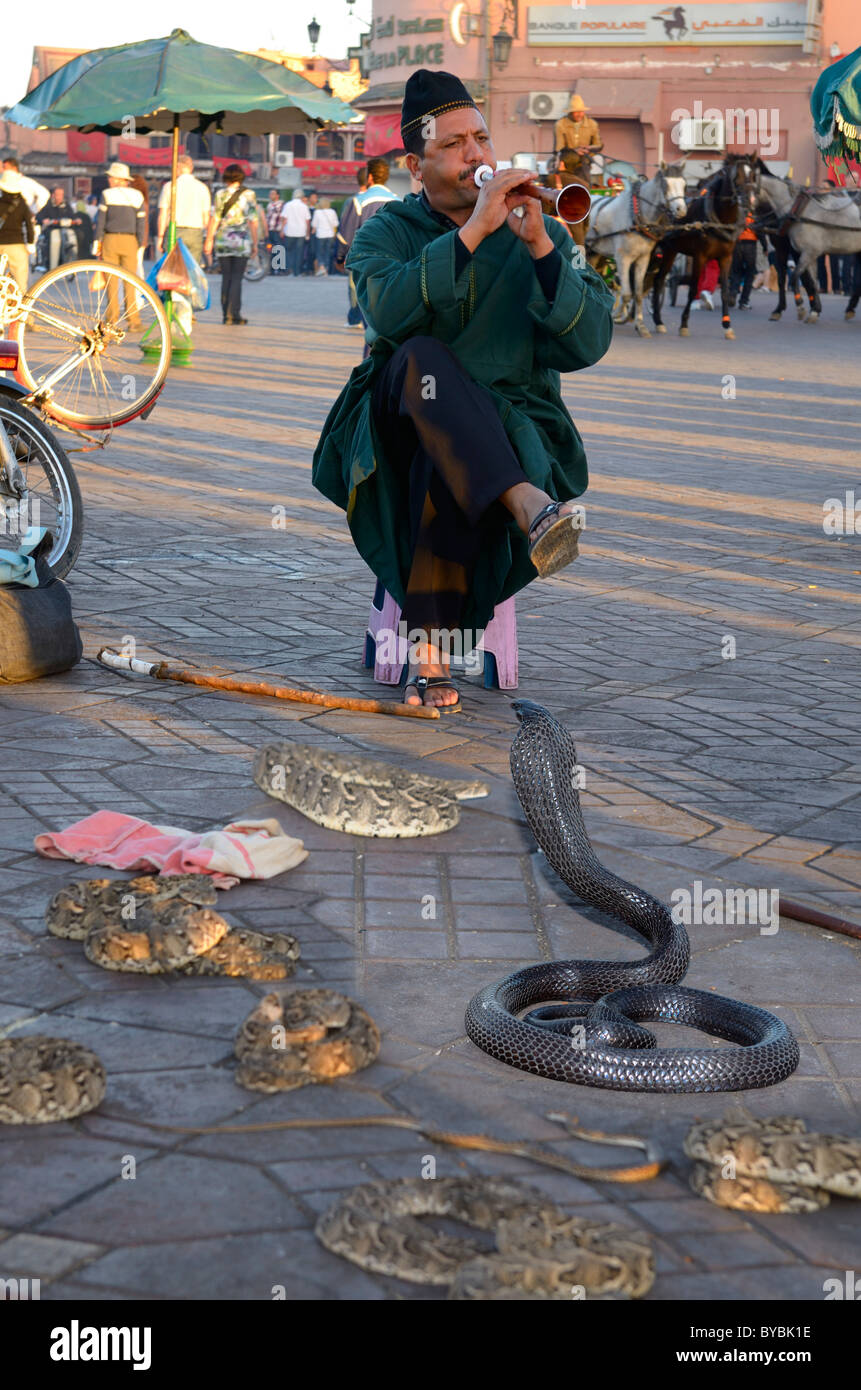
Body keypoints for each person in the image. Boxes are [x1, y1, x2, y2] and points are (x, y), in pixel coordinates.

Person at [312, 70, 614, 711]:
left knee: (448, 459)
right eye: (454, 145)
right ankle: (528, 505)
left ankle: (429, 656)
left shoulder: (542, 233)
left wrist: (539, 248)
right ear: (415, 165)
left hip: (506, 429)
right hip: (399, 417)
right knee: (424, 360)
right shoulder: (384, 230)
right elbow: (389, 315)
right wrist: (474, 230)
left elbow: (588, 343)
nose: (478, 155)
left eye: (481, 137)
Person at [335, 158, 400, 333]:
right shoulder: (398, 201)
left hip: (362, 263)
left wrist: (340, 258)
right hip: (391, 264)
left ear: (369, 177)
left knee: (363, 301)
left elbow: (345, 237)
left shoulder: (358, 202)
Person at [93, 162, 147, 327]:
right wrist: (139, 243)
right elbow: (141, 223)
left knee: (111, 283)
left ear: (118, 179)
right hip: (130, 241)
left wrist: (97, 242)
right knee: (130, 281)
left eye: (111, 177)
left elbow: (101, 222)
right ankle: (133, 320)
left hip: (110, 239)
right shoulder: (138, 196)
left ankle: (112, 319)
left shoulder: (107, 194)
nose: (109, 180)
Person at [204, 164, 259, 325]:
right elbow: (253, 221)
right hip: (241, 240)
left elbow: (215, 218)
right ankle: (234, 313)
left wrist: (209, 239)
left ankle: (225, 314)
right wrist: (255, 243)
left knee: (226, 277)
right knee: (237, 278)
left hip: (223, 240)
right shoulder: (249, 194)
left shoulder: (220, 194)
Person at [156, 155, 211, 267]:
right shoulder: (202, 188)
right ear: (191, 168)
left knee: (172, 268)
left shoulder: (169, 186)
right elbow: (206, 218)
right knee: (191, 268)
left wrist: (160, 237)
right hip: (195, 233)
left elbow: (163, 215)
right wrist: (209, 239)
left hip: (174, 231)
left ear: (178, 167)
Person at [0, 169, 35, 294]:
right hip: (16, 245)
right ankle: (19, 309)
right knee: (20, 282)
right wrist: (30, 244)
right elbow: (29, 226)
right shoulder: (22, 204)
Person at [554, 94, 603, 177]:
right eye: (576, 112)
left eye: (581, 111)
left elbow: (598, 144)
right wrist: (575, 150)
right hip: (569, 159)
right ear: (570, 113)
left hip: (586, 158)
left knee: (595, 162)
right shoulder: (560, 124)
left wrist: (588, 148)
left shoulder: (592, 124)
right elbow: (559, 147)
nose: (579, 114)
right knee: (572, 159)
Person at [37, 187, 83, 270]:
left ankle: (75, 259)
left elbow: (72, 216)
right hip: (52, 230)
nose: (60, 197)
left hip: (66, 229)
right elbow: (39, 216)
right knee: (53, 240)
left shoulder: (66, 206)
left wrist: (76, 220)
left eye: (61, 195)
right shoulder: (49, 206)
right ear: (53, 195)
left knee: (78, 235)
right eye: (58, 195)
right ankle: (50, 265)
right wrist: (44, 220)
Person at [279, 190, 310, 277]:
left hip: (289, 231)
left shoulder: (288, 205)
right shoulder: (304, 206)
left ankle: (290, 270)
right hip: (301, 232)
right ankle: (298, 272)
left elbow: (284, 219)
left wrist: (281, 230)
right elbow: (307, 221)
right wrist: (307, 233)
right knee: (299, 253)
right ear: (301, 196)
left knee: (289, 252)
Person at [311, 197, 339, 274]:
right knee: (327, 252)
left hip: (320, 235)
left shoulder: (317, 212)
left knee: (320, 251)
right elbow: (336, 224)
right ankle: (326, 268)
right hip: (330, 234)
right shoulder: (332, 212)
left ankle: (321, 267)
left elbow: (314, 224)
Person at [265, 190, 285, 274]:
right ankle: (272, 269)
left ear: (277, 195)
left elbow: (283, 218)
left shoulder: (281, 205)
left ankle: (280, 269)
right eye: (270, 193)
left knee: (279, 249)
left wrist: (282, 229)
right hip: (270, 229)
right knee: (270, 249)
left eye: (272, 194)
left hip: (277, 229)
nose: (270, 195)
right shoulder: (269, 205)